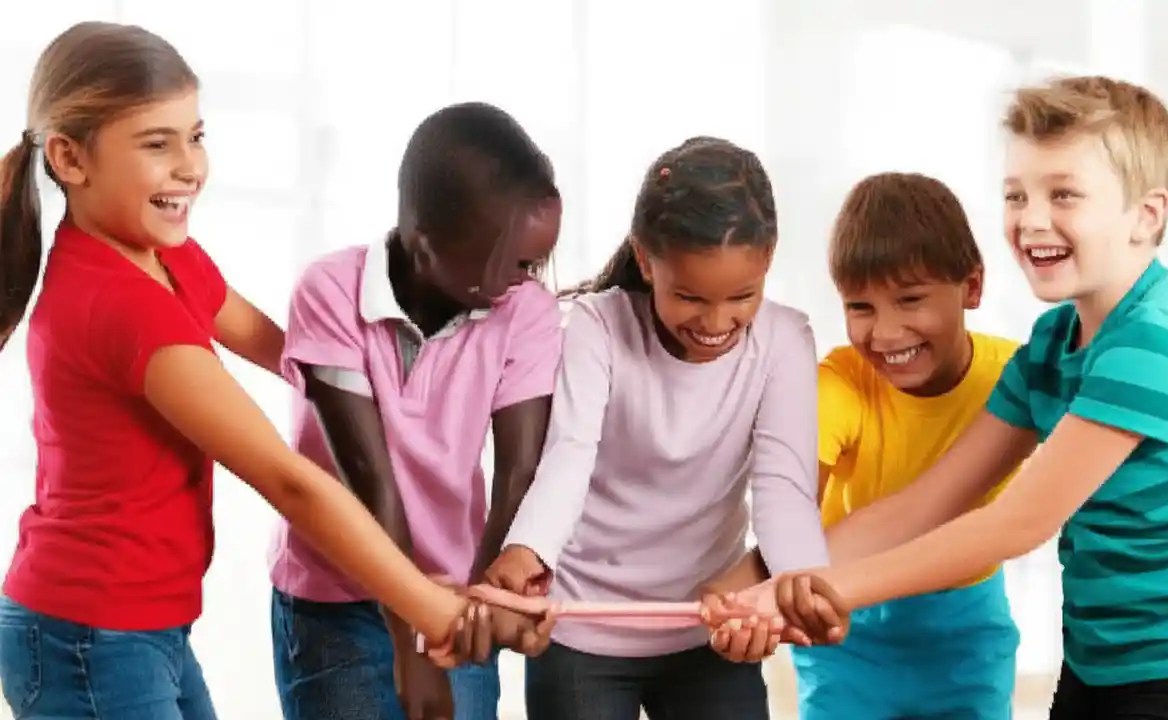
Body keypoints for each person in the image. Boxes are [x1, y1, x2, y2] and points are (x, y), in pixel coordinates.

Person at [753, 76, 1168, 720]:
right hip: (1101, 655)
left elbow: (1016, 523)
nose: (1031, 219)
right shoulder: (1054, 344)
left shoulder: (1159, 343)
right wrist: (763, 583)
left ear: (1147, 214)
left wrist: (813, 592)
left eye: (1064, 194)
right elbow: (926, 504)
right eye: (1016, 194)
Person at [0, 21, 477, 719]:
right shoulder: (122, 307)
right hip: (87, 637)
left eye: (196, 136)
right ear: (71, 159)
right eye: (157, 144)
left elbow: (287, 350)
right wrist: (424, 603)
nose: (191, 167)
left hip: (135, 628)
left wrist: (395, 396)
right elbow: (288, 482)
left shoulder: (163, 257)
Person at [484, 136, 829, 720]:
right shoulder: (596, 326)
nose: (717, 323)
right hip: (582, 630)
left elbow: (784, 491)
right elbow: (569, 455)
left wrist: (795, 586)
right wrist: (525, 550)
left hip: (709, 626)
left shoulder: (786, 340)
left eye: (742, 296)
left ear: (768, 257)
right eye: (690, 297)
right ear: (646, 261)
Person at [269, 102, 564, 720]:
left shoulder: (525, 311)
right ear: (427, 244)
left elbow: (519, 471)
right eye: (518, 261)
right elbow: (369, 478)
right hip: (336, 600)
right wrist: (411, 646)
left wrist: (482, 603)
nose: (531, 277)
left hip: (458, 591)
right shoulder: (331, 291)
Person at [706, 172, 1022, 718]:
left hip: (965, 630)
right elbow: (790, 517)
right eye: (861, 307)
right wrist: (732, 600)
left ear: (972, 286)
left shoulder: (1018, 378)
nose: (886, 332)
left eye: (910, 299)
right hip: (844, 628)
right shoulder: (838, 384)